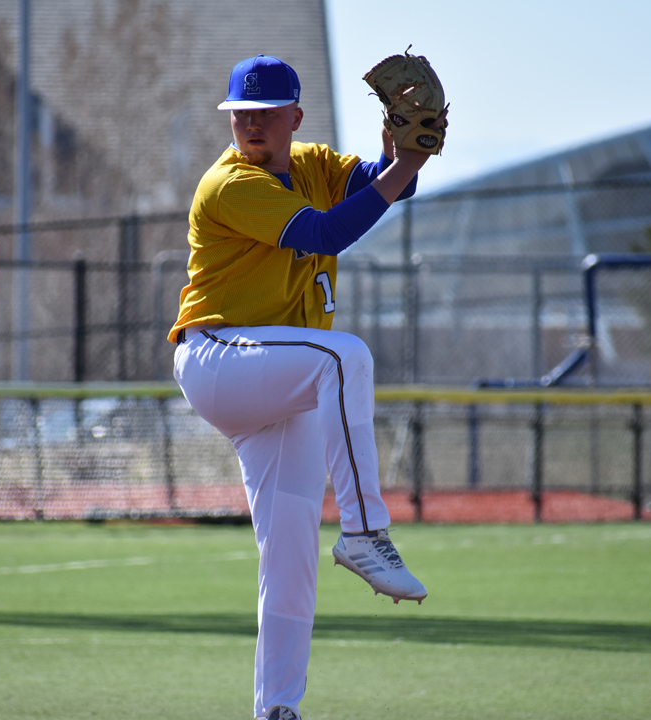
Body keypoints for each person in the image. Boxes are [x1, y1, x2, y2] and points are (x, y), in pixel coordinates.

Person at [168, 55, 446, 720]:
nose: (252, 125)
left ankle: (278, 710)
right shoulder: (229, 183)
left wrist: (406, 154)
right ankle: (365, 532)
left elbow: (383, 186)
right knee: (344, 357)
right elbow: (325, 232)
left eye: (265, 114)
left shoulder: (314, 163)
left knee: (291, 556)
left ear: (294, 117)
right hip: (219, 357)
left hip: (276, 374)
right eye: (241, 114)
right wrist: (407, 166)